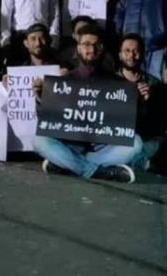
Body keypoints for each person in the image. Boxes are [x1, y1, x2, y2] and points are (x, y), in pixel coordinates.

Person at [32, 25, 144, 183]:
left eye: (96, 45)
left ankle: (67, 166)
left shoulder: (117, 83)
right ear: (78, 48)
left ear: (102, 49)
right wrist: (40, 98)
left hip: (101, 148)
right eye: (86, 44)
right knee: (39, 140)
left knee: (136, 144)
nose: (91, 49)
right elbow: (49, 122)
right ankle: (98, 172)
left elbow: (128, 124)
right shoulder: (64, 81)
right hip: (70, 146)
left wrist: (140, 101)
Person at [115, 34, 167, 170]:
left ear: (143, 54)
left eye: (136, 51)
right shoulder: (110, 82)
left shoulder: (155, 84)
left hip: (143, 139)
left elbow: (160, 125)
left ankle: (128, 163)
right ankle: (134, 163)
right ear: (120, 55)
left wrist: (148, 102)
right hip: (116, 140)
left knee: (156, 145)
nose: (131, 56)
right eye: (127, 51)